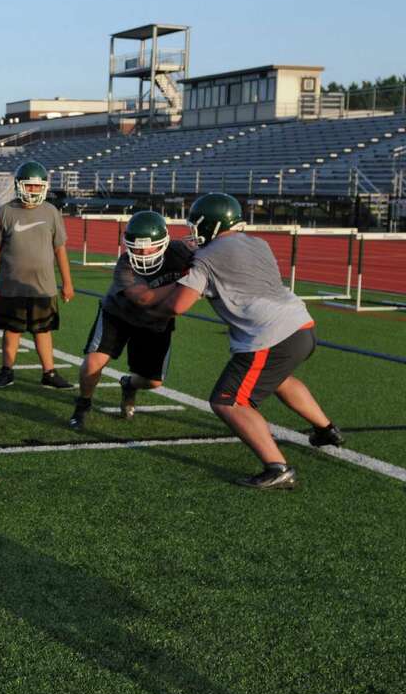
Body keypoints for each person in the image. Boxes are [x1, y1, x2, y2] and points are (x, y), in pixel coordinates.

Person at [145, 193, 343, 489]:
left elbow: (178, 305)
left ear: (210, 223)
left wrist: (152, 307)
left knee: (228, 401)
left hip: (268, 335)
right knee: (280, 379)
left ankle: (277, 467)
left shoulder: (207, 256)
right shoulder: (259, 243)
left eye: (196, 225)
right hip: (301, 325)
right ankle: (326, 430)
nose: (194, 232)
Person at [68, 211, 194, 429]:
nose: (144, 252)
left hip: (156, 322)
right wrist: (188, 280)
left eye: (150, 246)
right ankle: (83, 404)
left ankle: (129, 384)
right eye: (136, 247)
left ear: (164, 242)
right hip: (118, 315)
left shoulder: (181, 252)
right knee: (93, 362)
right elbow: (143, 298)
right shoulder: (125, 264)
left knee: (153, 381)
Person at [0, 160, 75, 389]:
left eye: (37, 186)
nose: (33, 190)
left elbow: (60, 250)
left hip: (43, 285)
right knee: (12, 330)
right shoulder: (5, 212)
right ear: (19, 186)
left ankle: (49, 372)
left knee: (43, 330)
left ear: (43, 187)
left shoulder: (51, 212)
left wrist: (67, 283)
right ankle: (7, 371)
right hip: (12, 284)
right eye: (29, 186)